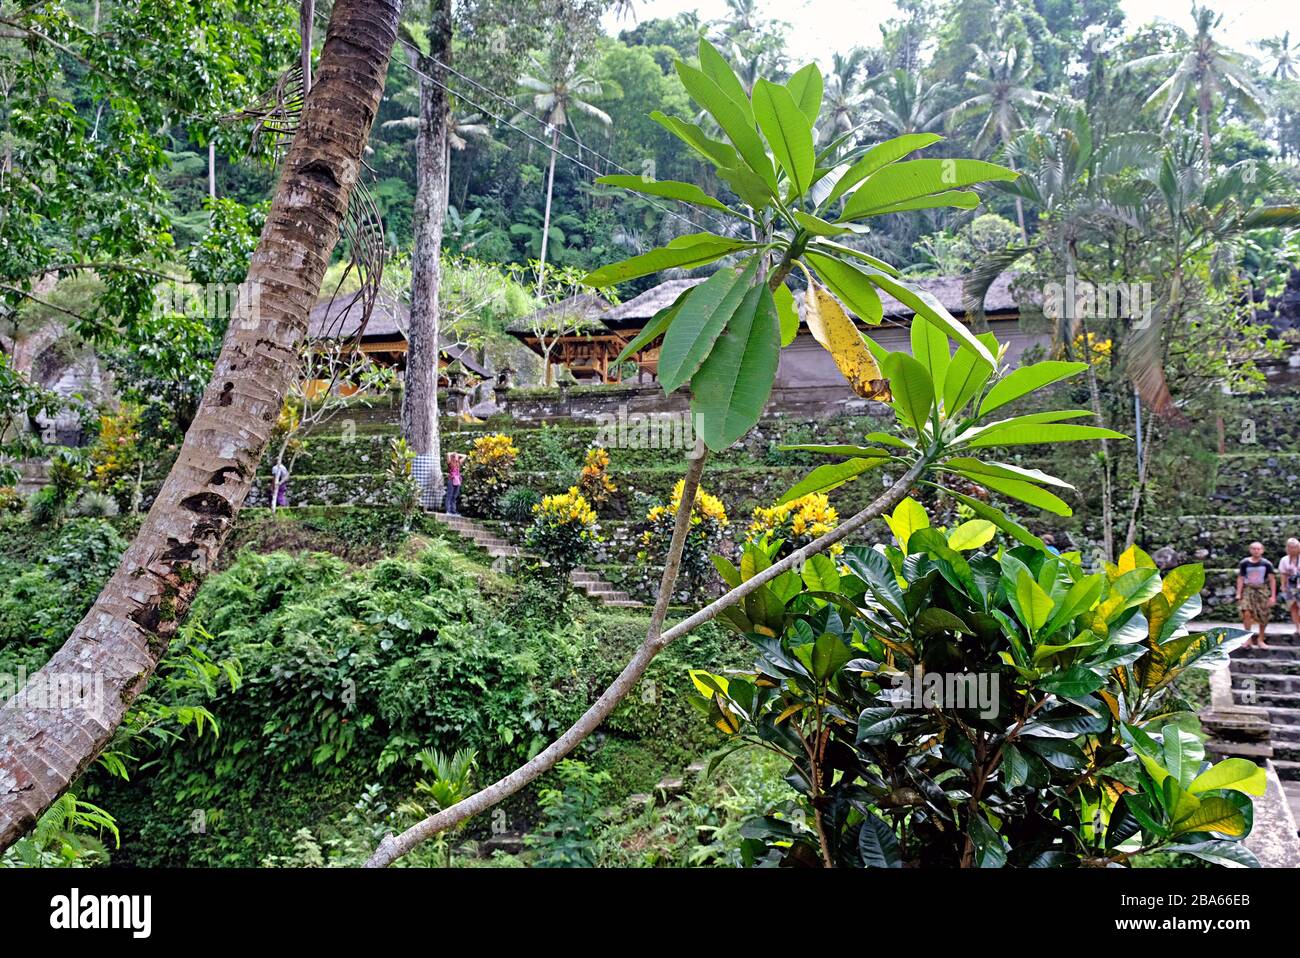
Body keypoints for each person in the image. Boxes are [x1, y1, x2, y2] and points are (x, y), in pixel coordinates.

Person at [1236, 541, 1276, 650]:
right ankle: (1248, 639)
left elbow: (1272, 580)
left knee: (1264, 615)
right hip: (1248, 590)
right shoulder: (1244, 563)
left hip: (1262, 590)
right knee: (1246, 612)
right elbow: (1240, 578)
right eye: (1254, 549)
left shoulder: (1267, 564)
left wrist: (1273, 596)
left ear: (1262, 550)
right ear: (1250, 550)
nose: (1256, 551)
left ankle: (1260, 639)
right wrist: (1238, 593)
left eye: (1258, 549)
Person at [1278, 538, 1300, 637]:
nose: (1293, 549)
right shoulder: (1284, 560)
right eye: (1290, 547)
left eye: (1295, 547)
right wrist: (1283, 586)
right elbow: (1283, 574)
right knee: (1293, 606)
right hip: (1290, 586)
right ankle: (1297, 627)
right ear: (1287, 548)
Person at [445, 451, 466, 516]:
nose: (457, 457)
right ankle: (448, 511)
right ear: (453, 457)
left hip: (457, 480)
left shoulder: (458, 463)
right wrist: (453, 454)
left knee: (454, 496)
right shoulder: (450, 462)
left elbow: (465, 456)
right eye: (456, 456)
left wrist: (457, 454)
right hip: (451, 480)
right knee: (449, 495)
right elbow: (448, 454)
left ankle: (453, 511)